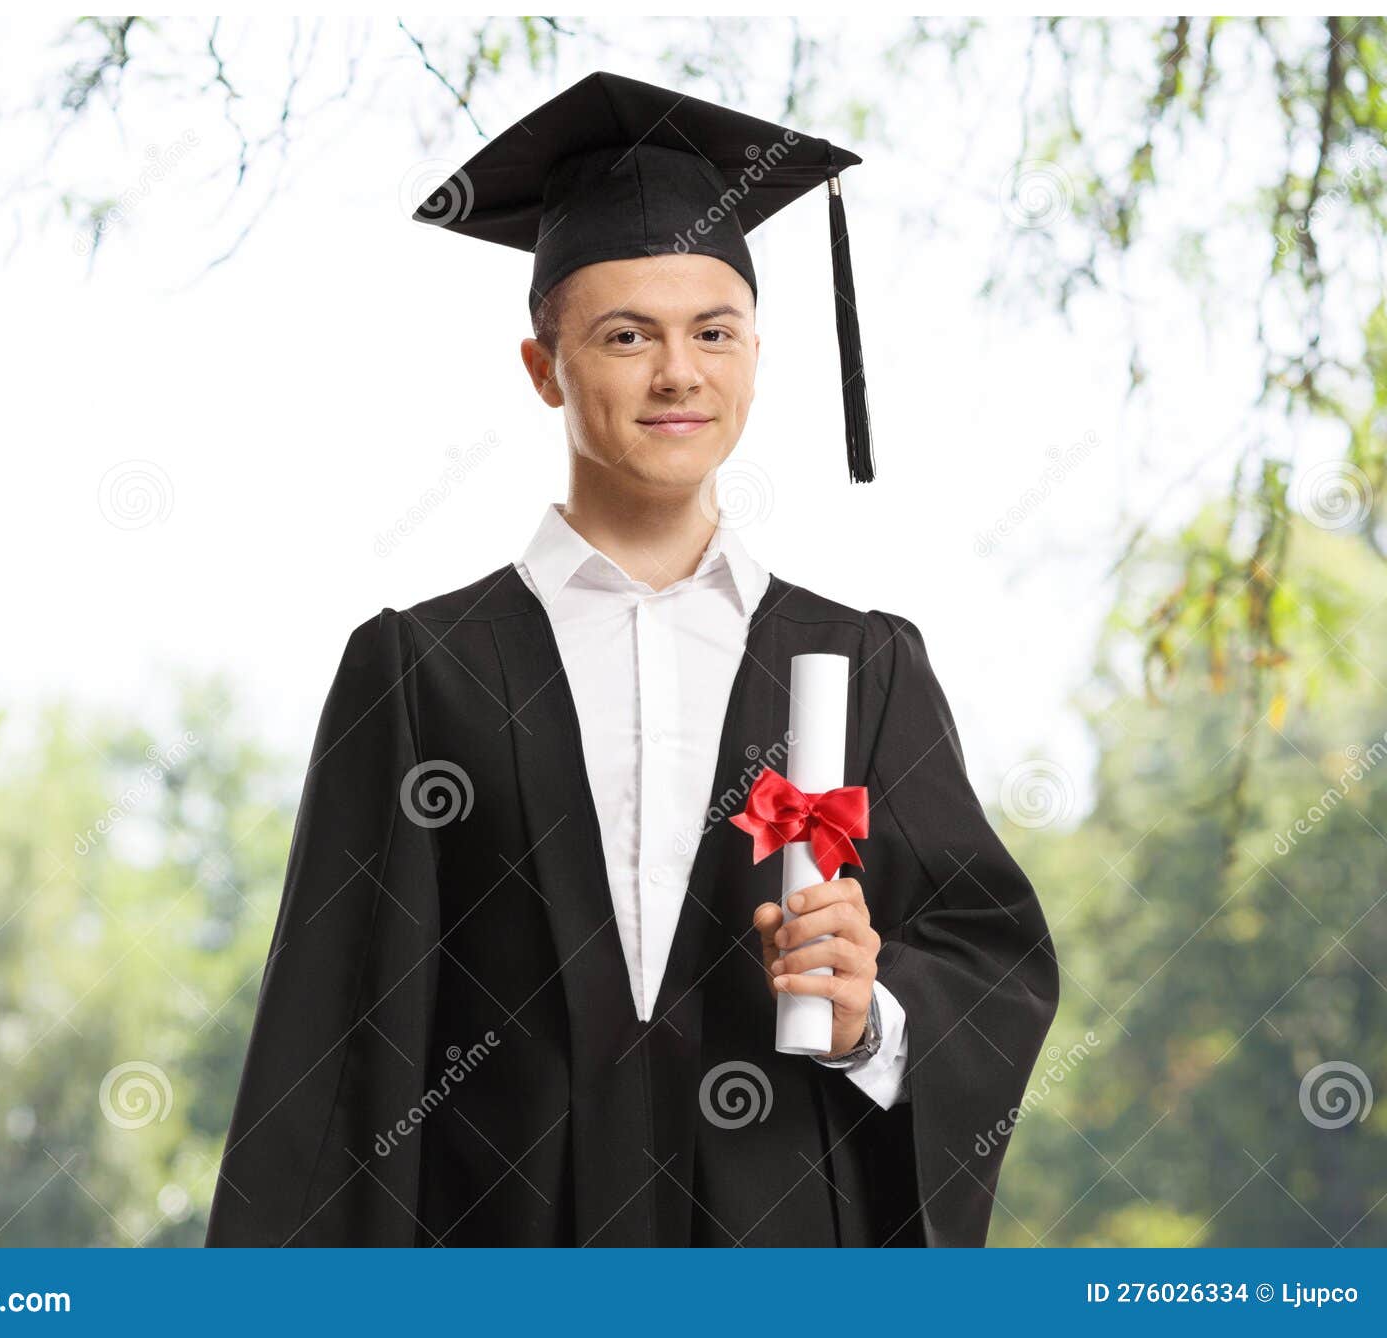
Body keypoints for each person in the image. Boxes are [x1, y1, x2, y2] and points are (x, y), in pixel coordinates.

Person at [206, 70, 1058, 1248]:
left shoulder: (860, 665)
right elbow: (335, 1043)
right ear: (543, 367)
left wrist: (871, 1015)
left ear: (755, 356)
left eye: (715, 333)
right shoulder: (421, 672)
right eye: (625, 336)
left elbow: (986, 962)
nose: (678, 374)